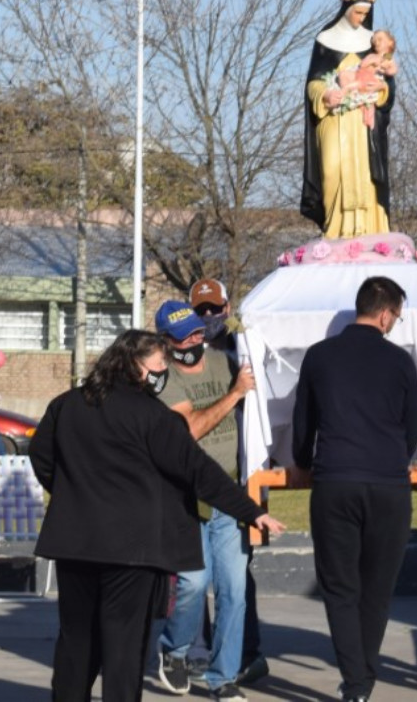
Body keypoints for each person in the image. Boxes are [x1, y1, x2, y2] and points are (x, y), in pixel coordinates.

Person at [28, 330, 284, 702]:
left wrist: (72, 494)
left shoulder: (66, 404)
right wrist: (251, 511)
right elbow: (198, 470)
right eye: (160, 364)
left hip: (75, 542)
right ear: (135, 365)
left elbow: (42, 458)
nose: (163, 371)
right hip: (132, 549)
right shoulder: (151, 415)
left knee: (76, 640)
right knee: (124, 645)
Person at [292, 276, 417, 702]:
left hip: (335, 481)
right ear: (385, 313)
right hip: (388, 484)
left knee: (340, 586)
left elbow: (303, 423)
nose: (394, 324)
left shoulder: (319, 356)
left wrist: (306, 464)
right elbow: (414, 427)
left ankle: (356, 683)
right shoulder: (401, 361)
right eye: (397, 317)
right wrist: (391, 460)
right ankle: (362, 679)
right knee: (378, 587)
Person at [152, 301, 257, 702]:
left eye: (197, 332)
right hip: (187, 498)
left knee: (234, 590)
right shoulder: (163, 379)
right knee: (194, 584)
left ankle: (223, 677)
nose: (194, 341)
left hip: (229, 495)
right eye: (184, 337)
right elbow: (190, 430)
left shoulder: (224, 361)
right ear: (167, 342)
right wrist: (235, 394)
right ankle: (174, 650)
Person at [189, 278, 271, 687]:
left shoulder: (244, 350)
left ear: (227, 308)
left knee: (235, 582)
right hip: (193, 490)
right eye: (200, 311)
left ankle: (242, 657)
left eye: (213, 310)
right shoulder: (181, 358)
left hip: (238, 487)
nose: (207, 318)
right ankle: (192, 650)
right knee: (192, 579)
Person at [300, 0, 395, 239]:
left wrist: (382, 88)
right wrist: (325, 95)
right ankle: (335, 232)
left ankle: (368, 232)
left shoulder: (372, 43)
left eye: (366, 14)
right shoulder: (326, 40)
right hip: (334, 121)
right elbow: (313, 82)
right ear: (346, 10)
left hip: (364, 123)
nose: (362, 18)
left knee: (366, 176)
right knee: (331, 170)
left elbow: (387, 82)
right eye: (358, 13)